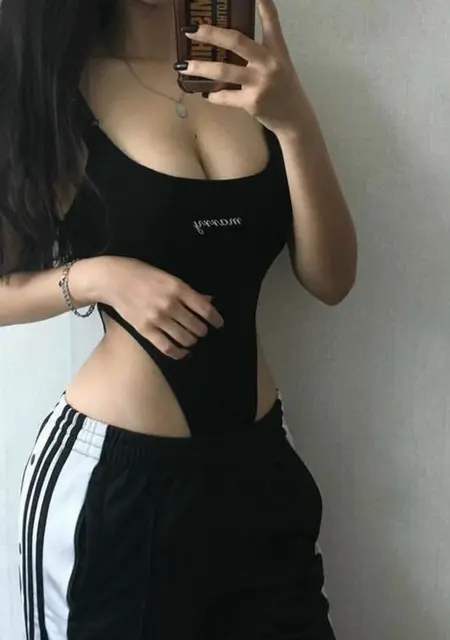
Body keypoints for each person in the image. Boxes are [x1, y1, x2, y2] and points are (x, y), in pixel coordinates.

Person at [0, 0, 357, 637]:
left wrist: (295, 120)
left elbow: (332, 279)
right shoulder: (57, 89)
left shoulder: (247, 78)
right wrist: (95, 277)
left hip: (260, 471)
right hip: (114, 489)